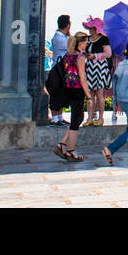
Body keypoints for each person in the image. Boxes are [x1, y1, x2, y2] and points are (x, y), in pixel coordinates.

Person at [54, 32, 89, 162]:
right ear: (80, 43)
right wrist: (89, 96)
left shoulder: (67, 56)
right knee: (76, 121)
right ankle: (71, 150)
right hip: (77, 90)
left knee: (78, 117)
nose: (87, 44)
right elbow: (82, 78)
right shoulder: (80, 57)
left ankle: (62, 144)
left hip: (68, 89)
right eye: (85, 42)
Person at [83, 17, 113, 126]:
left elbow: (108, 53)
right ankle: (90, 117)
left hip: (100, 68)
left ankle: (100, 117)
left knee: (100, 94)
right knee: (90, 94)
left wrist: (95, 56)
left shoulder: (104, 39)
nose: (90, 30)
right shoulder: (87, 39)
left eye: (92, 28)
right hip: (90, 67)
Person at [48, 14, 71, 124]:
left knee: (62, 93)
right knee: (56, 92)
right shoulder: (59, 38)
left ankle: (60, 117)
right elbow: (71, 47)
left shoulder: (63, 37)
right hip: (57, 69)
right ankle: (55, 118)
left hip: (63, 69)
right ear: (67, 25)